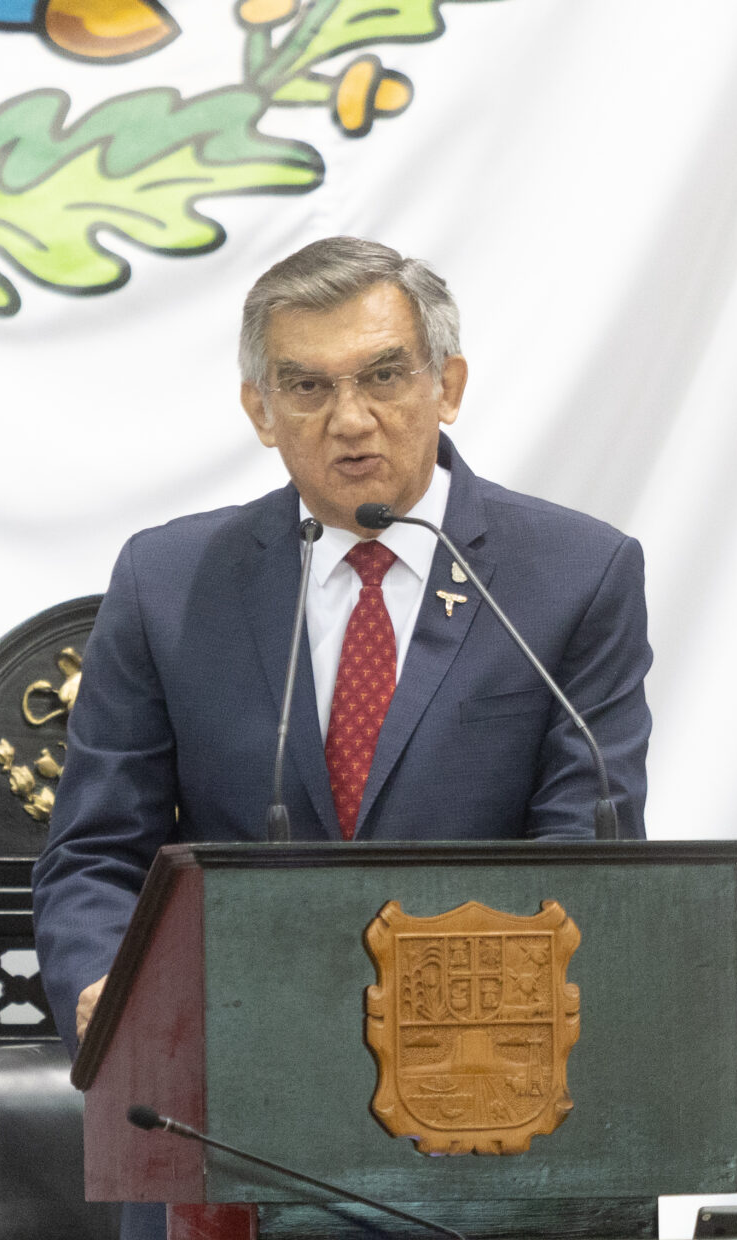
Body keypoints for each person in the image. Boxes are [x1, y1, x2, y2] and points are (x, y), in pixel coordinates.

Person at [32, 234, 653, 1057]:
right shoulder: (170, 583)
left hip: (484, 1073)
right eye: (307, 387)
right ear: (261, 409)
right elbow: (97, 853)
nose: (350, 419)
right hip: (230, 1062)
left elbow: (585, 860)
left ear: (448, 386)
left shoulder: (574, 574)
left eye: (384, 376)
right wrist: (106, 986)